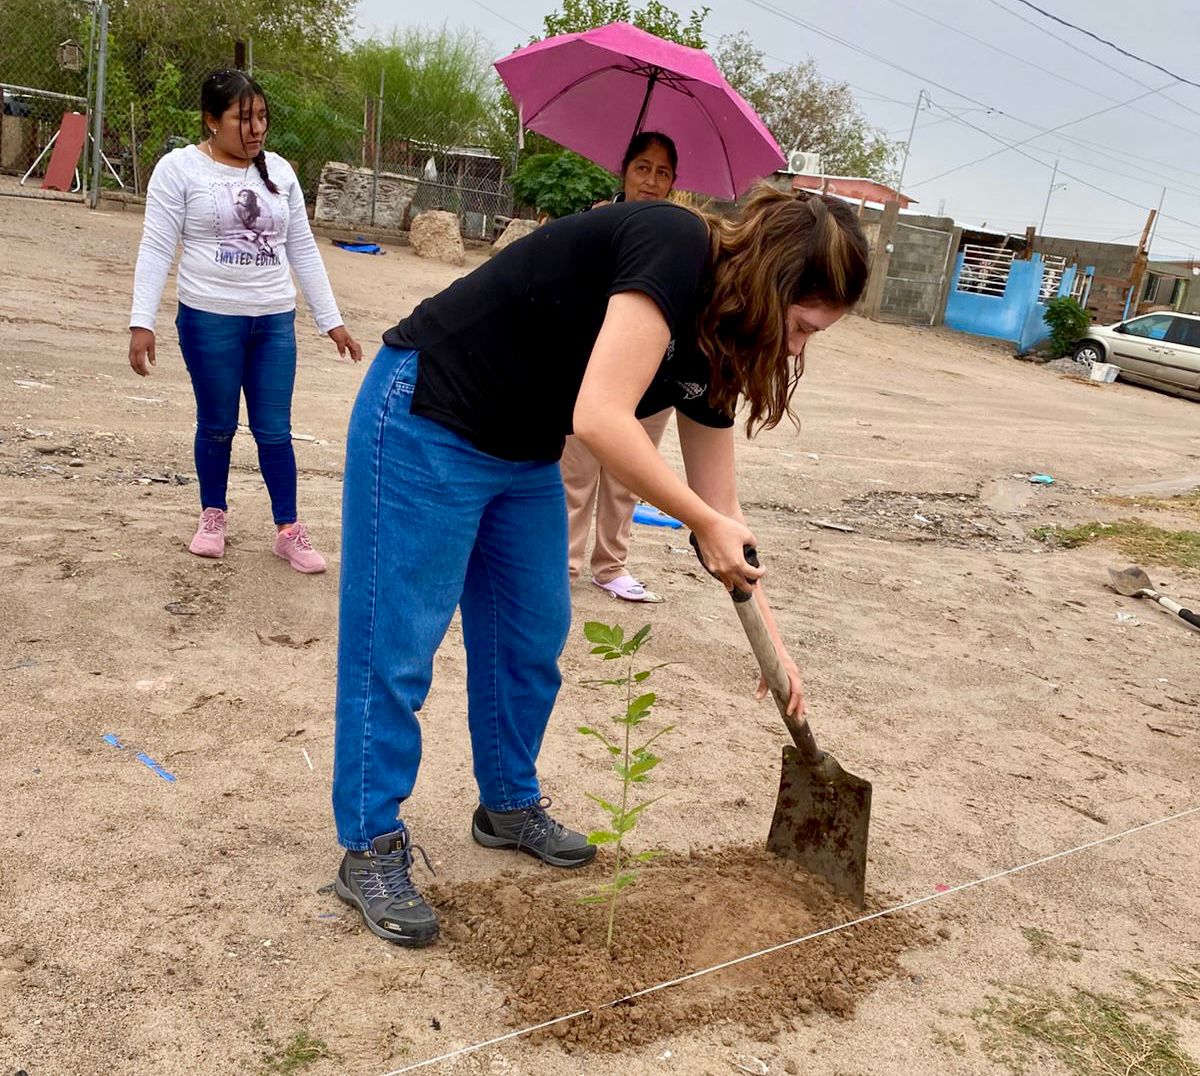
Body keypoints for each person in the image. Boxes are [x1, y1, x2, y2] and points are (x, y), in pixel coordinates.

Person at [332, 186, 869, 948]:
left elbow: (723, 513)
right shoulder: (673, 243)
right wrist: (698, 520)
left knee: (532, 636)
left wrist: (774, 647)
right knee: (397, 646)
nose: (797, 349)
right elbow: (601, 418)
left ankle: (507, 805)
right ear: (776, 280)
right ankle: (370, 846)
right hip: (431, 412)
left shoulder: (717, 339)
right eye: (803, 325)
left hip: (521, 447)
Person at [128, 69, 363, 573]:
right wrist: (140, 320)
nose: (257, 129)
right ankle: (213, 515)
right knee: (216, 426)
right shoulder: (179, 170)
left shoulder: (280, 172)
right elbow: (156, 245)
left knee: (275, 430)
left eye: (262, 118)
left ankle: (288, 530)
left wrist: (332, 320)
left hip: (273, 320)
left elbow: (301, 247)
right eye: (244, 118)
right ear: (212, 120)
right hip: (209, 317)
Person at [565, 131, 680, 603]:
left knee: (629, 475)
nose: (651, 180)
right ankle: (563, 563)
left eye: (663, 172)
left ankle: (611, 566)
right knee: (575, 470)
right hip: (591, 368)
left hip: (651, 376)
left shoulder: (679, 232)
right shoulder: (595, 223)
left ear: (673, 182)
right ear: (625, 171)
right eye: (642, 168)